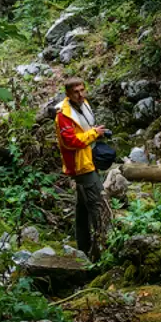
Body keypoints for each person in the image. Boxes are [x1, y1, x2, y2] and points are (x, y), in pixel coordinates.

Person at [56, 78, 108, 257]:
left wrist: (96, 132)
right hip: (80, 165)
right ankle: (103, 249)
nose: (80, 94)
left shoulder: (84, 104)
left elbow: (85, 128)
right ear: (68, 94)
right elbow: (70, 141)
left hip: (89, 158)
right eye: (75, 92)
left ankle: (83, 248)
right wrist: (94, 133)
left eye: (82, 90)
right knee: (98, 204)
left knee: (83, 206)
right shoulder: (63, 115)